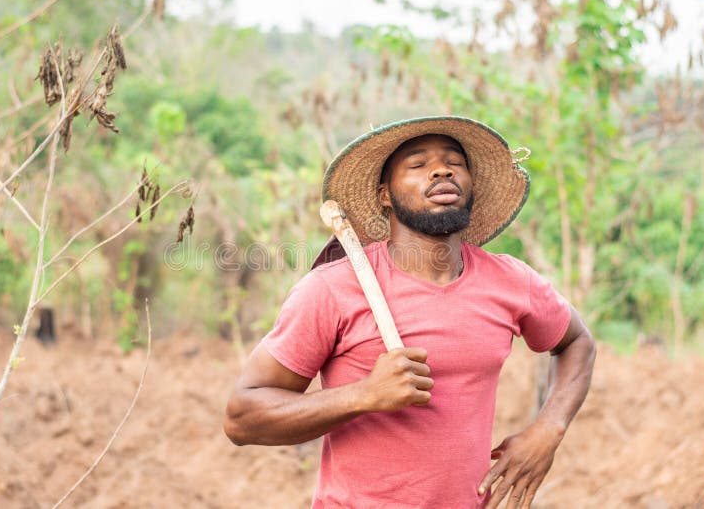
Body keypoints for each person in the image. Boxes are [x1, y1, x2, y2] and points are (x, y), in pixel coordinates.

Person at [224, 116, 596, 508]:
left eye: (455, 162)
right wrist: (363, 396)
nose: (442, 170)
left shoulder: (509, 280)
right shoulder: (332, 288)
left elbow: (577, 341)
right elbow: (242, 417)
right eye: (418, 165)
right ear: (385, 195)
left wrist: (548, 429)